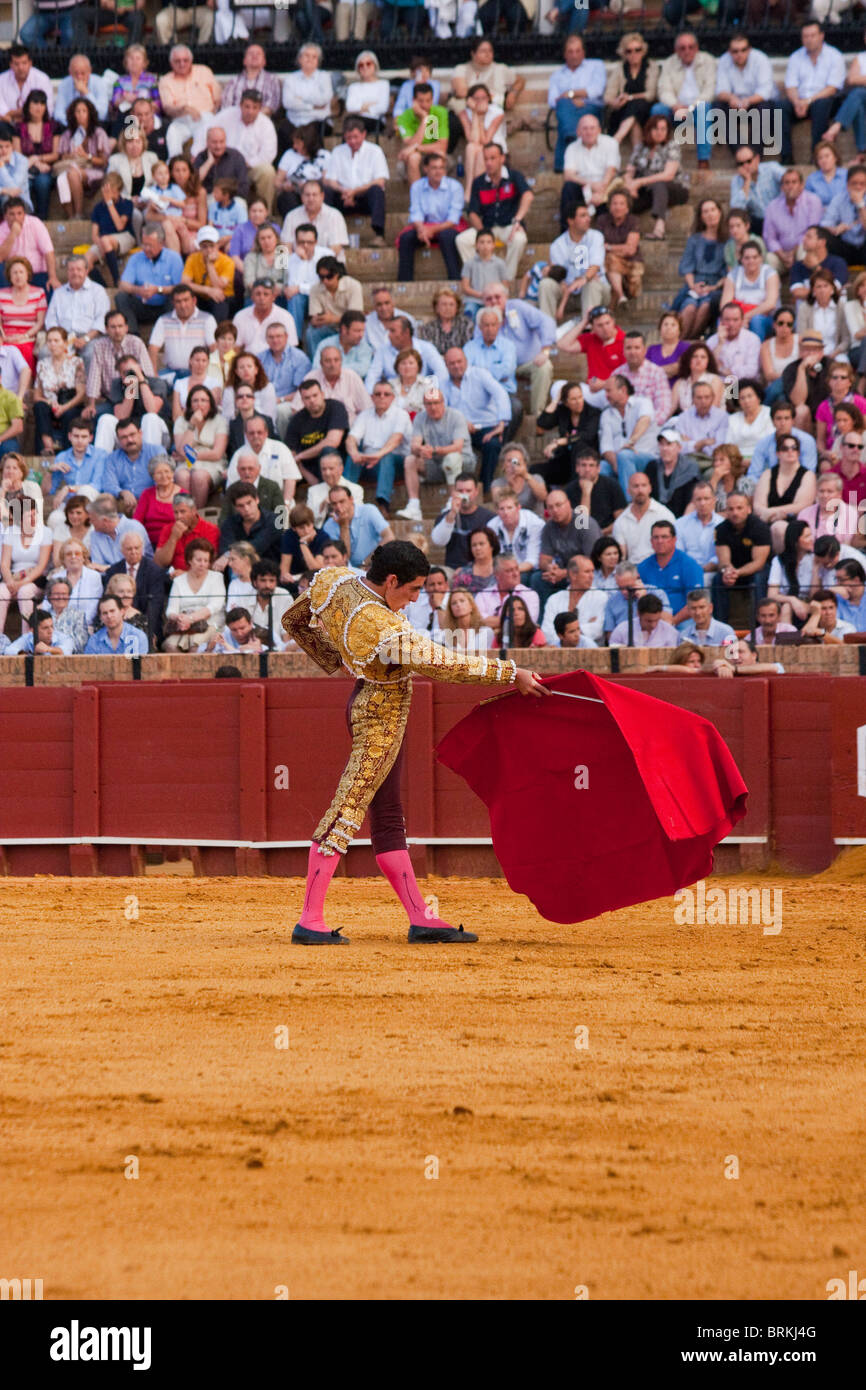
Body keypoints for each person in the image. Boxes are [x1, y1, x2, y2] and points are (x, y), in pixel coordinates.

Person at [282, 539, 545, 943]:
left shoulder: (333, 581)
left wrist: (335, 659)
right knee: (347, 808)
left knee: (387, 817)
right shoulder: (385, 630)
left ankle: (420, 916)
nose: (416, 597)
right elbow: (448, 665)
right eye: (413, 589)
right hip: (379, 718)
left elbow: (294, 620)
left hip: (366, 700)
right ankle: (309, 920)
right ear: (391, 581)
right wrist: (512, 674)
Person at [456, 143, 533, 282]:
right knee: (462, 240)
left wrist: (518, 220)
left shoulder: (514, 176)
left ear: (502, 158)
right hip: (487, 227)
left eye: (493, 158)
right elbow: (472, 212)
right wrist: (482, 233)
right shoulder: (478, 182)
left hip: (509, 225)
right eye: (486, 159)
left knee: (519, 239)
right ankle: (478, 278)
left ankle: (506, 281)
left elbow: (528, 195)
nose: (489, 163)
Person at [398, 388, 473, 520]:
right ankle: (414, 505)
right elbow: (414, 445)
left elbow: (458, 447)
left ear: (443, 402)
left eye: (436, 402)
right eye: (429, 403)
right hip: (436, 462)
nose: (433, 407)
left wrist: (433, 450)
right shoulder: (420, 418)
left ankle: (452, 502)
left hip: (463, 462)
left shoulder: (456, 416)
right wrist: (420, 450)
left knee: (452, 458)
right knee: (410, 460)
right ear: (424, 405)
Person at [779, 20, 845, 166]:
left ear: (822, 36)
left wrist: (808, 101)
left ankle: (817, 155)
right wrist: (797, 102)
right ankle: (786, 157)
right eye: (805, 36)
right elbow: (790, 86)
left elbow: (832, 88)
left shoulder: (835, 56)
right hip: (800, 102)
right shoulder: (796, 57)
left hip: (825, 100)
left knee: (821, 105)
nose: (809, 39)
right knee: (779, 107)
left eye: (812, 35)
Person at [622, 113, 689, 244]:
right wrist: (630, 185)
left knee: (660, 184)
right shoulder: (640, 147)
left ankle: (659, 228)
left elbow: (668, 175)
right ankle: (623, 231)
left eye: (663, 129)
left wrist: (639, 182)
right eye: (656, 129)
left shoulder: (672, 146)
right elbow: (629, 170)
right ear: (649, 130)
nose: (659, 132)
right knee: (622, 197)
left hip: (675, 188)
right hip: (648, 190)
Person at [322, 116, 388, 248]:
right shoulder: (338, 151)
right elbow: (331, 180)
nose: (352, 141)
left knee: (377, 191)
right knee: (326, 191)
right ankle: (326, 235)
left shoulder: (375, 151)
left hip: (364, 196)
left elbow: (380, 180)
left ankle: (379, 235)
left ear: (364, 134)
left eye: (355, 137)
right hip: (343, 195)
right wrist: (345, 192)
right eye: (348, 138)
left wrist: (355, 192)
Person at [397, 153, 462, 282]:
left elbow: (453, 218)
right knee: (406, 239)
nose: (438, 171)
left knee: (446, 236)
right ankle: (404, 282)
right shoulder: (417, 186)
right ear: (425, 169)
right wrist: (422, 230)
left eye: (441, 168)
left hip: (447, 226)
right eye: (434, 168)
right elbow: (416, 212)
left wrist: (431, 230)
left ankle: (455, 279)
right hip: (424, 226)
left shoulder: (455, 186)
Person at [547, 35, 607, 173]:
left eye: (578, 51)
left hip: (590, 108)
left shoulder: (596, 66)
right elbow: (552, 100)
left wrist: (570, 94)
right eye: (570, 51)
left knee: (565, 117)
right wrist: (571, 99)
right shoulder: (557, 75)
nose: (574, 55)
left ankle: (562, 165)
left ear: (584, 52)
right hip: (566, 109)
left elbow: (596, 90)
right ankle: (572, 135)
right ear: (564, 54)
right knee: (563, 105)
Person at [713, 492, 772, 621]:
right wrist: (728, 572)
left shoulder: (760, 528)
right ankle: (720, 624)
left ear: (749, 509)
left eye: (739, 508)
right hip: (734, 570)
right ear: (726, 511)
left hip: (756, 570)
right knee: (718, 579)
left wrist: (738, 572)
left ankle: (758, 626)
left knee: (758, 578)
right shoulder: (721, 529)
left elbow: (759, 563)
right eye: (731, 509)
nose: (735, 513)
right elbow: (723, 560)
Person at [674, 199, 727, 341]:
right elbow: (687, 267)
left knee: (704, 307)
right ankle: (679, 342)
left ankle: (688, 341)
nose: (710, 214)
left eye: (713, 210)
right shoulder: (694, 240)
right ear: (701, 217)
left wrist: (714, 286)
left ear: (720, 212)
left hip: (716, 285)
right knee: (690, 307)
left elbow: (729, 271)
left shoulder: (728, 241)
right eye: (706, 211)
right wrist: (693, 286)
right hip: (695, 284)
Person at [159, 46, 221, 161]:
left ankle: (197, 163)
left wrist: (211, 113)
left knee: (207, 128)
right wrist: (184, 109)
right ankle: (174, 164)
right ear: (171, 63)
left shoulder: (204, 71)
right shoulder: (165, 80)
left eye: (185, 60)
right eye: (177, 61)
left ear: (191, 61)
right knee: (173, 132)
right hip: (181, 119)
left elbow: (217, 97)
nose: (182, 64)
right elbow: (167, 107)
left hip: (205, 116)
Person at [560, 113, 620, 228]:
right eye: (585, 128)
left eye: (592, 128)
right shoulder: (572, 148)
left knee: (615, 195)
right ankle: (566, 232)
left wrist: (601, 192)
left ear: (599, 130)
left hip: (607, 186)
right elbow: (568, 175)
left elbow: (611, 170)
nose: (589, 132)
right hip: (584, 187)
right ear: (578, 132)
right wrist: (591, 185)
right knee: (569, 187)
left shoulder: (611, 143)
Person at [599, 375, 658, 491]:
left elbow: (644, 420)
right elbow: (606, 447)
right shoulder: (606, 414)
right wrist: (617, 465)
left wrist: (631, 442)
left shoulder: (643, 403)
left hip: (646, 456)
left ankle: (629, 504)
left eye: (609, 391)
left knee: (624, 455)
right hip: (619, 461)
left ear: (623, 390)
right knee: (600, 467)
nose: (606, 395)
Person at [605, 32, 657, 150]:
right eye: (629, 51)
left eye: (637, 50)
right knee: (633, 116)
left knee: (636, 105)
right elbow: (608, 95)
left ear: (643, 51)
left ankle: (617, 138)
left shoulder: (651, 67)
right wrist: (616, 101)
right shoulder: (620, 69)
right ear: (624, 53)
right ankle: (636, 155)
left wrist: (629, 97)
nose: (634, 54)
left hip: (646, 110)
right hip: (623, 111)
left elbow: (651, 94)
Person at [321, 484, 394, 567]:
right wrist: (343, 526)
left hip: (376, 563)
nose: (338, 507)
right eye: (334, 504)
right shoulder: (328, 525)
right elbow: (345, 557)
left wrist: (366, 562)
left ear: (351, 499)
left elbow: (389, 537)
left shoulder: (369, 510)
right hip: (348, 570)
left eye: (342, 501)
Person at [612, 471, 676, 565]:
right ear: (628, 491)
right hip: (633, 571)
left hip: (660, 567)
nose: (640, 490)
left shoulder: (664, 514)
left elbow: (673, 548)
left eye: (643, 485)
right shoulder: (621, 521)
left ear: (650, 488)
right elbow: (621, 556)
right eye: (636, 486)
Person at [15, 88, 59, 222]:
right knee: (24, 183)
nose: (38, 107)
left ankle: (42, 219)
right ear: (28, 106)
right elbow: (17, 154)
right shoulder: (19, 127)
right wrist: (34, 162)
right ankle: (24, 220)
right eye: (35, 103)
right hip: (25, 168)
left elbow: (56, 154)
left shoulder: (53, 126)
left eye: (42, 103)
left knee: (42, 182)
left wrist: (38, 159)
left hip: (46, 169)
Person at [0, 254, 44, 371]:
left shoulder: (38, 293)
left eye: (21, 272)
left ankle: (26, 387)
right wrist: (4, 337)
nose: (18, 276)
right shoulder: (2, 294)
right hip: (5, 337)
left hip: (28, 337)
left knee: (25, 351)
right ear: (9, 275)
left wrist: (24, 336)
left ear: (27, 274)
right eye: (15, 272)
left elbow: (40, 322)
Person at [609, 592, 679, 648]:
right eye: (649, 621)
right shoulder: (622, 630)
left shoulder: (670, 632)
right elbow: (613, 653)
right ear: (638, 614)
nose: (653, 625)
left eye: (657, 620)